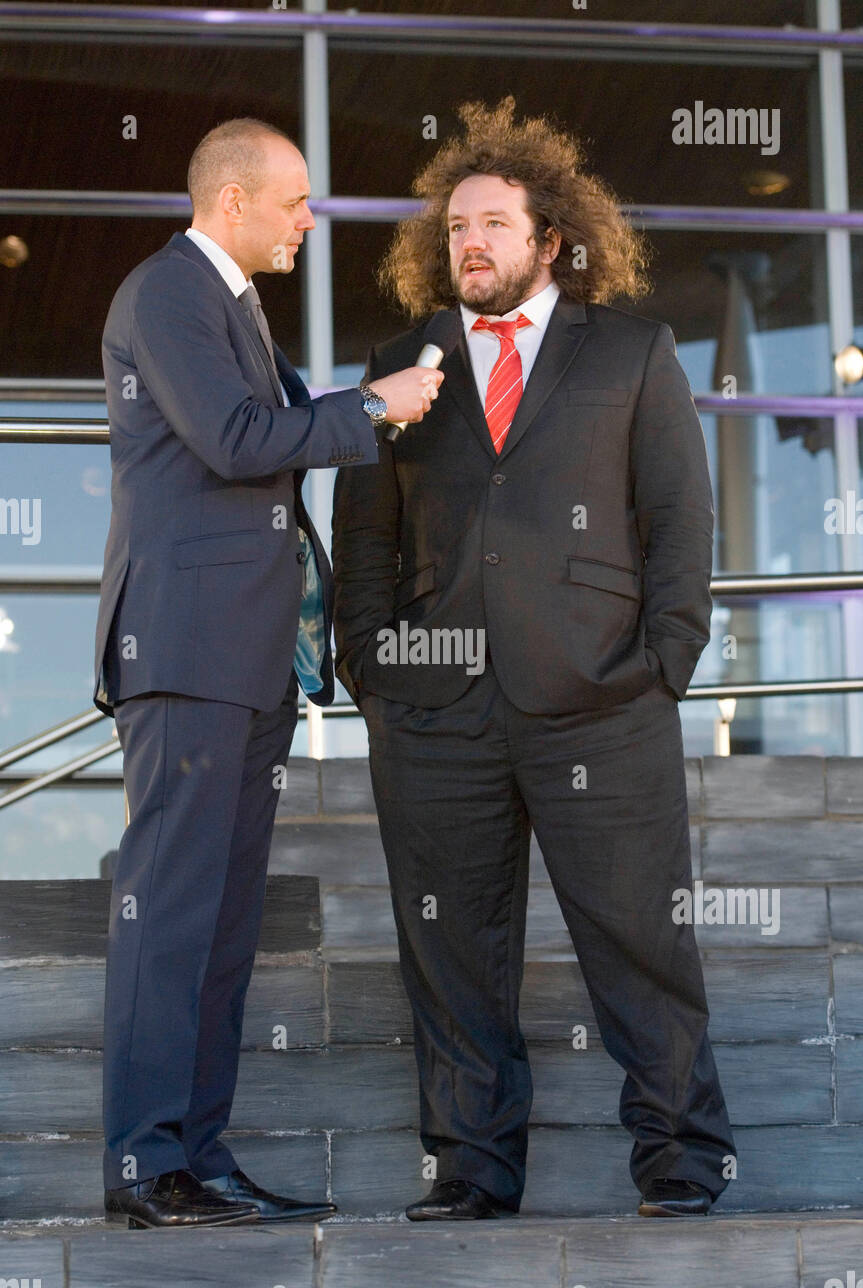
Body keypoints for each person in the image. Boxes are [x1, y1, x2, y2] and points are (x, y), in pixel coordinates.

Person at [333, 98, 736, 1222]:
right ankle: (470, 1166)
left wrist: (663, 658)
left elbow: (677, 518)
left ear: (550, 238)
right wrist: (370, 667)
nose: (469, 241)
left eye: (492, 223)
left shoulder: (632, 352)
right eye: (455, 225)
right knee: (449, 950)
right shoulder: (398, 363)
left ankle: (680, 1156)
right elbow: (363, 536)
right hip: (432, 706)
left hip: (600, 698)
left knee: (639, 939)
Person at [94, 117, 442, 1229]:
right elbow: (241, 441)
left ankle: (199, 1155)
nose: (309, 220)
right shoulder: (167, 292)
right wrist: (373, 409)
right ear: (231, 201)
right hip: (186, 650)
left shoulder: (233, 307)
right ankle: (147, 1166)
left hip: (246, 657)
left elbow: (269, 437)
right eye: (296, 201)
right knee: (174, 914)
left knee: (222, 923)